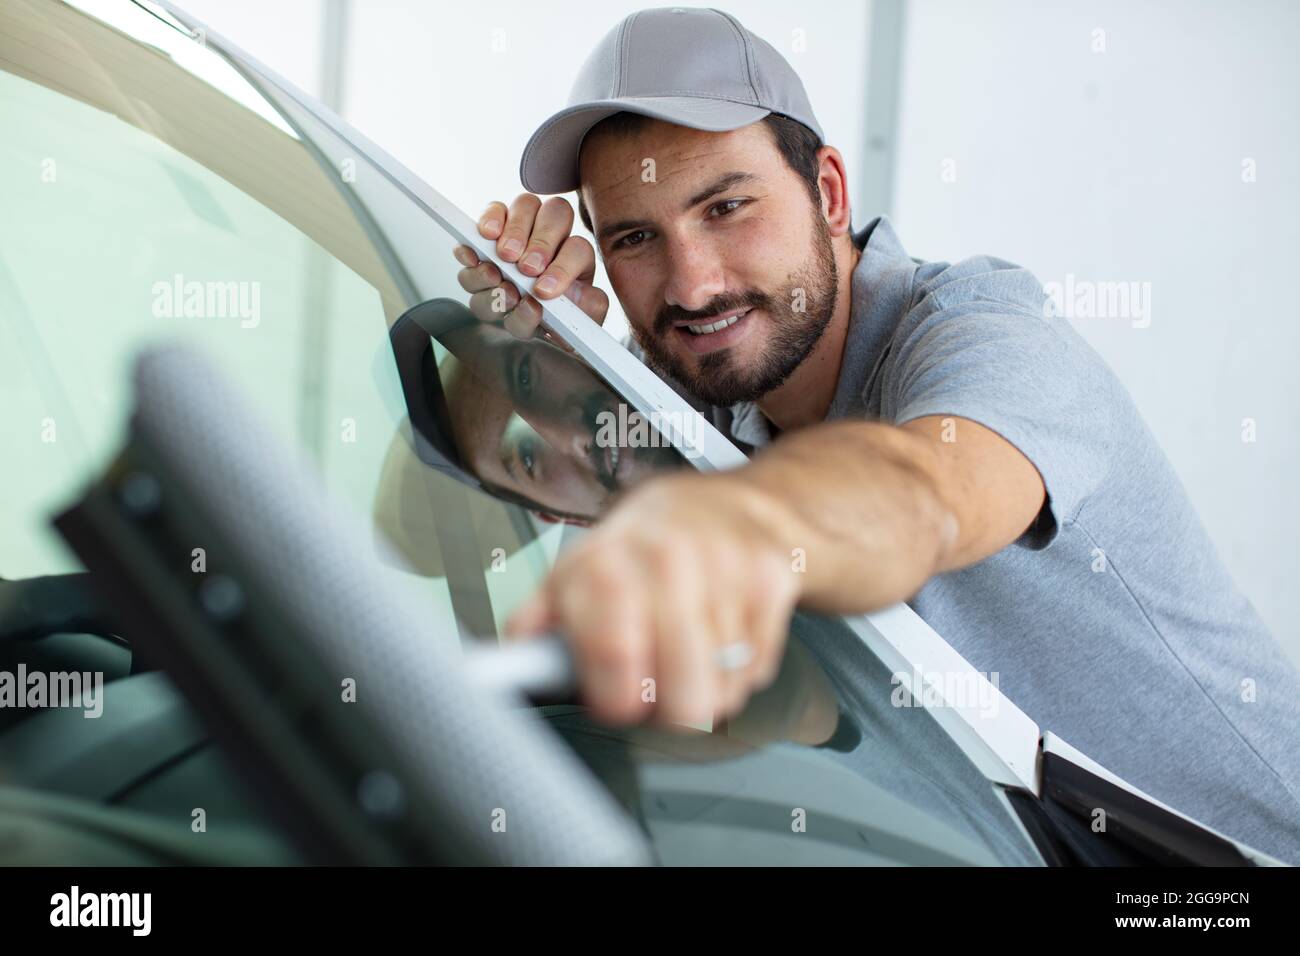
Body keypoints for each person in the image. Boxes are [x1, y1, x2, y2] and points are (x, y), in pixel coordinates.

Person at [451, 7, 1300, 860]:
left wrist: (738, 528)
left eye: (727, 208)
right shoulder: (696, 380)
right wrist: (511, 341)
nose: (693, 285)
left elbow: (924, 493)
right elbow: (421, 528)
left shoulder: (986, 330)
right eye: (636, 237)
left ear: (827, 193)